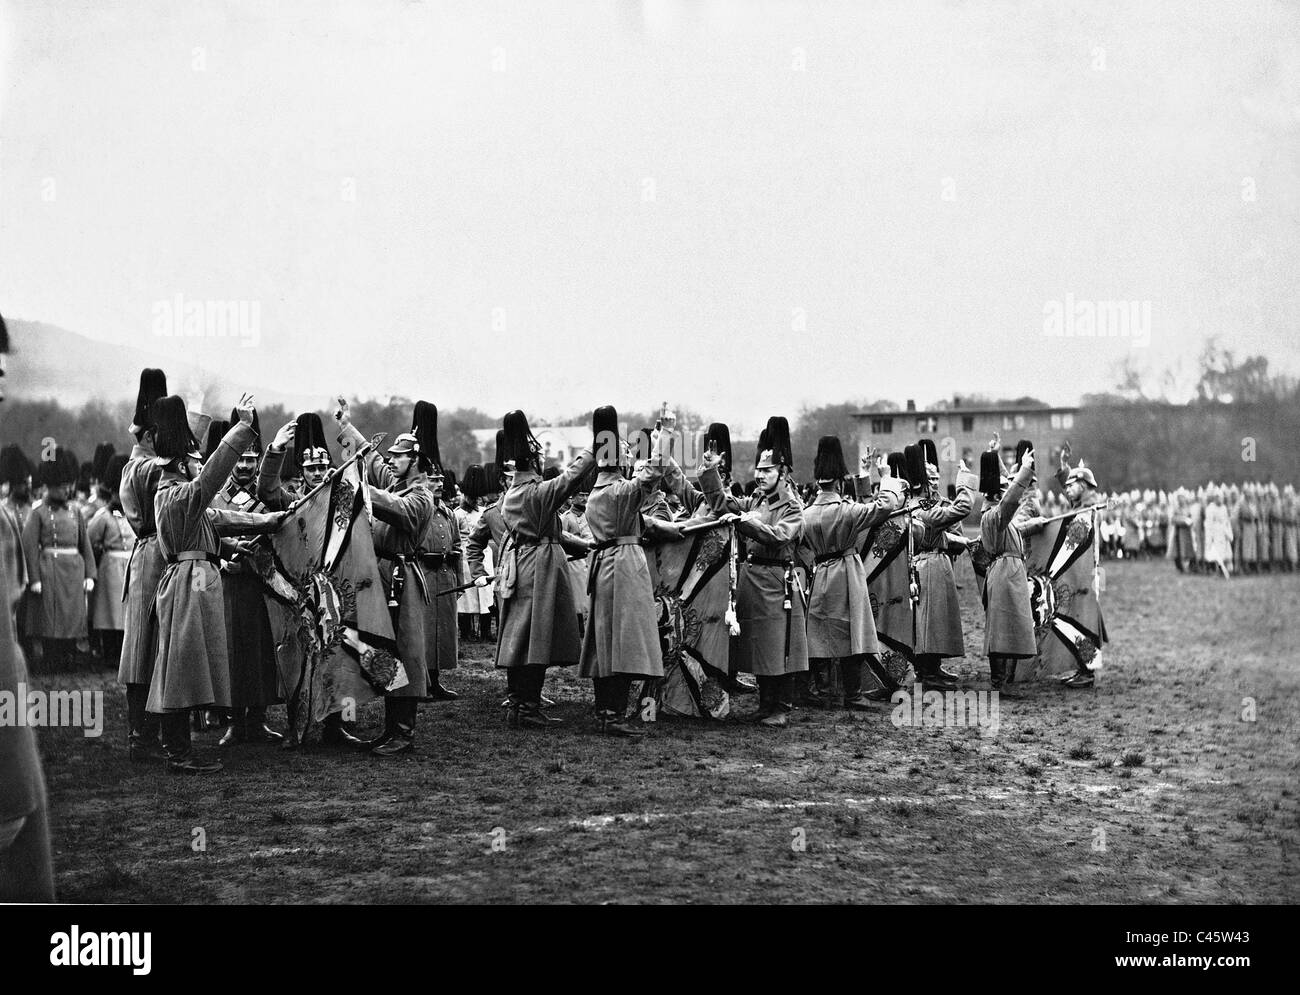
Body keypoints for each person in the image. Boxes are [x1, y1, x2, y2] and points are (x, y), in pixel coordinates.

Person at [147, 394, 286, 774]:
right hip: (188, 586)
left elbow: (215, 522)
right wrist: (242, 428)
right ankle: (177, 751)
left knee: (186, 668)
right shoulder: (176, 493)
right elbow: (212, 481)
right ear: (180, 463)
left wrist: (266, 522)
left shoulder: (179, 496)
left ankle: (178, 747)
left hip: (194, 581)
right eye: (193, 460)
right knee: (180, 671)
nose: (198, 465)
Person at [472, 410, 594, 729]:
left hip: (523, 563)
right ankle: (527, 706)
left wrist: (583, 546)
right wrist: (594, 449)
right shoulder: (534, 492)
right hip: (538, 567)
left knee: (522, 639)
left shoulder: (515, 492)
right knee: (536, 639)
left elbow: (551, 529)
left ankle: (519, 703)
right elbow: (570, 480)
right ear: (534, 462)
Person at [335, 399, 439, 755]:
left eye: (399, 457)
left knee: (406, 653)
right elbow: (371, 459)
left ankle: (403, 732)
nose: (391, 461)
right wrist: (346, 427)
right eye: (392, 456)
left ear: (415, 462)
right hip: (382, 577)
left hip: (403, 579)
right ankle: (391, 728)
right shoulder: (395, 483)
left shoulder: (422, 495)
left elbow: (401, 512)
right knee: (385, 653)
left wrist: (362, 491)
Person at [698, 416, 808, 727]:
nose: (759, 475)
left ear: (782, 472)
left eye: (766, 470)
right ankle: (766, 702)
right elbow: (722, 503)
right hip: (753, 580)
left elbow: (778, 537)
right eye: (758, 469)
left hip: (777, 582)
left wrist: (744, 520)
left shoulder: (792, 506)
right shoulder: (757, 499)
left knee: (778, 646)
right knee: (760, 645)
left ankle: (781, 706)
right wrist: (710, 470)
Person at [801, 436, 905, 710]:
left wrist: (865, 474)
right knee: (854, 631)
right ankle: (853, 693)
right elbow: (883, 507)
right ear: (839, 481)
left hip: (820, 573)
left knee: (819, 631)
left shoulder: (807, 513)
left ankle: (821, 691)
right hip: (847, 573)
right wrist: (886, 479)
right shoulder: (846, 511)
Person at [579, 406, 663, 737]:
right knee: (625, 645)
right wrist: (662, 438)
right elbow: (651, 474)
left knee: (604, 645)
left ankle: (606, 711)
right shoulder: (619, 492)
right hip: (624, 566)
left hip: (603, 567)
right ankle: (613, 714)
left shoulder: (600, 493)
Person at [208, 408, 285, 746]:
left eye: (251, 460)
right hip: (226, 584)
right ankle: (234, 722)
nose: (244, 466)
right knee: (231, 654)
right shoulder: (214, 496)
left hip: (259, 584)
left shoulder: (265, 497)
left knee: (260, 653)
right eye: (240, 459)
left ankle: (258, 719)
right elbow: (206, 534)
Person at [119, 368, 170, 762]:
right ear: (150, 435)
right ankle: (142, 735)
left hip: (152, 557)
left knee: (153, 648)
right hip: (151, 556)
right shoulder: (145, 467)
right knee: (143, 649)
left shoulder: (140, 464)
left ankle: (148, 732)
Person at [22, 447, 94, 674]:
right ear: (50, 485)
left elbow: (86, 545)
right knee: (52, 619)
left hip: (73, 571)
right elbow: (30, 546)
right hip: (50, 571)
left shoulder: (76, 511)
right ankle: (53, 657)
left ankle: (69, 654)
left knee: (72, 618)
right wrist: (34, 578)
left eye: (67, 484)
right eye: (61, 485)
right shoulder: (39, 512)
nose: (67, 489)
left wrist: (90, 574)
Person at [907, 443, 971, 690]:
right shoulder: (921, 506)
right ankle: (927, 673)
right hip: (927, 563)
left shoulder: (925, 504)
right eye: (930, 478)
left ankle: (932, 668)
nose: (935, 482)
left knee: (937, 621)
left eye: (936, 477)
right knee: (929, 621)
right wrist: (964, 482)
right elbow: (961, 509)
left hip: (937, 561)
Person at [978, 448, 1038, 697]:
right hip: (1004, 574)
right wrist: (1024, 471)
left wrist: (1032, 524)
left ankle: (1001, 682)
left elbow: (1012, 528)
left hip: (1008, 572)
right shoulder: (994, 514)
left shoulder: (997, 517)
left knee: (1005, 628)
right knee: (1000, 631)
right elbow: (1010, 501)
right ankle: (997, 684)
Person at [86, 453, 134, 672]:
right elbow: (91, 539)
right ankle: (109, 653)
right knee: (109, 614)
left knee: (126, 615)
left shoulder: (135, 513)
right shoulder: (102, 516)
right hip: (110, 569)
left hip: (130, 567)